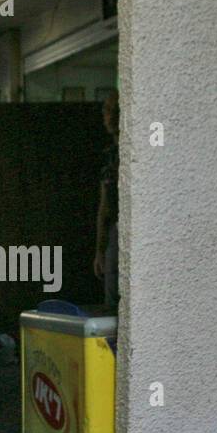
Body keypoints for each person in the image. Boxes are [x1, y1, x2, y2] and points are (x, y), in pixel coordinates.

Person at [93, 91, 119, 306]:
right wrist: (100, 250)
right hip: (114, 229)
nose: (110, 117)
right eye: (107, 111)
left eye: (115, 111)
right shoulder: (110, 155)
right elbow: (104, 207)